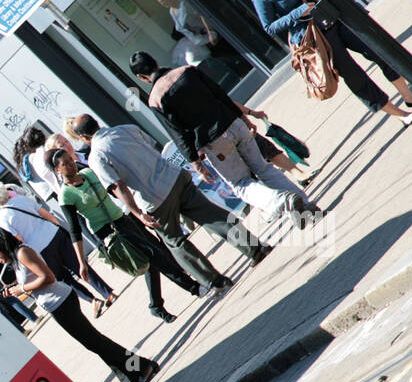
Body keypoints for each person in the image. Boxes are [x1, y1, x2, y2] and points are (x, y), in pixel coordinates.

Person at [234, 0, 412, 125]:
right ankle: (400, 115)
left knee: (380, 52)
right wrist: (297, 12)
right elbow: (269, 27)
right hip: (317, 37)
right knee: (355, 76)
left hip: (336, 18)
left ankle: (408, 96)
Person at [130, 50, 319, 228]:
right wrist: (244, 117)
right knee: (264, 168)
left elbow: (178, 134)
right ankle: (306, 207)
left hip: (214, 142)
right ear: (155, 62)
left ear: (141, 77)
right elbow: (220, 94)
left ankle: (282, 201)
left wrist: (196, 164)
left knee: (241, 184)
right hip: (233, 123)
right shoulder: (187, 71)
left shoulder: (155, 99)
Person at [72, 114, 269, 271]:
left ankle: (214, 280)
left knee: (175, 242)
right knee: (213, 215)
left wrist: (138, 213)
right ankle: (255, 248)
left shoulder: (96, 156)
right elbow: (152, 146)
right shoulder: (126, 128)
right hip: (174, 178)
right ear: (96, 124)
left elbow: (118, 187)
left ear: (83, 137)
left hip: (153, 199)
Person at [0, 227, 158, 382]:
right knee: (94, 344)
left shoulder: (22, 253)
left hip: (62, 302)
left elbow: (48, 277)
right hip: (57, 306)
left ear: (1, 244)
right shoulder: (15, 259)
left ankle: (142, 367)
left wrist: (22, 288)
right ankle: (132, 379)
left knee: (97, 342)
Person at [43, 152, 204, 323]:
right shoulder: (66, 195)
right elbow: (75, 229)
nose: (71, 165)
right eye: (65, 164)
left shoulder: (88, 174)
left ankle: (156, 306)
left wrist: (137, 212)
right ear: (57, 169)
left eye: (71, 161)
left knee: (150, 263)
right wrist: (82, 262)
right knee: (154, 254)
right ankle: (194, 288)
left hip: (121, 219)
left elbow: (114, 192)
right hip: (106, 232)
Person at [0, 178, 118, 317]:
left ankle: (93, 301)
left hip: (40, 250)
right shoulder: (23, 200)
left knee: (64, 279)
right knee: (80, 266)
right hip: (54, 234)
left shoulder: (2, 219)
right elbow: (47, 215)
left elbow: (18, 240)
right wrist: (59, 228)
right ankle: (108, 294)